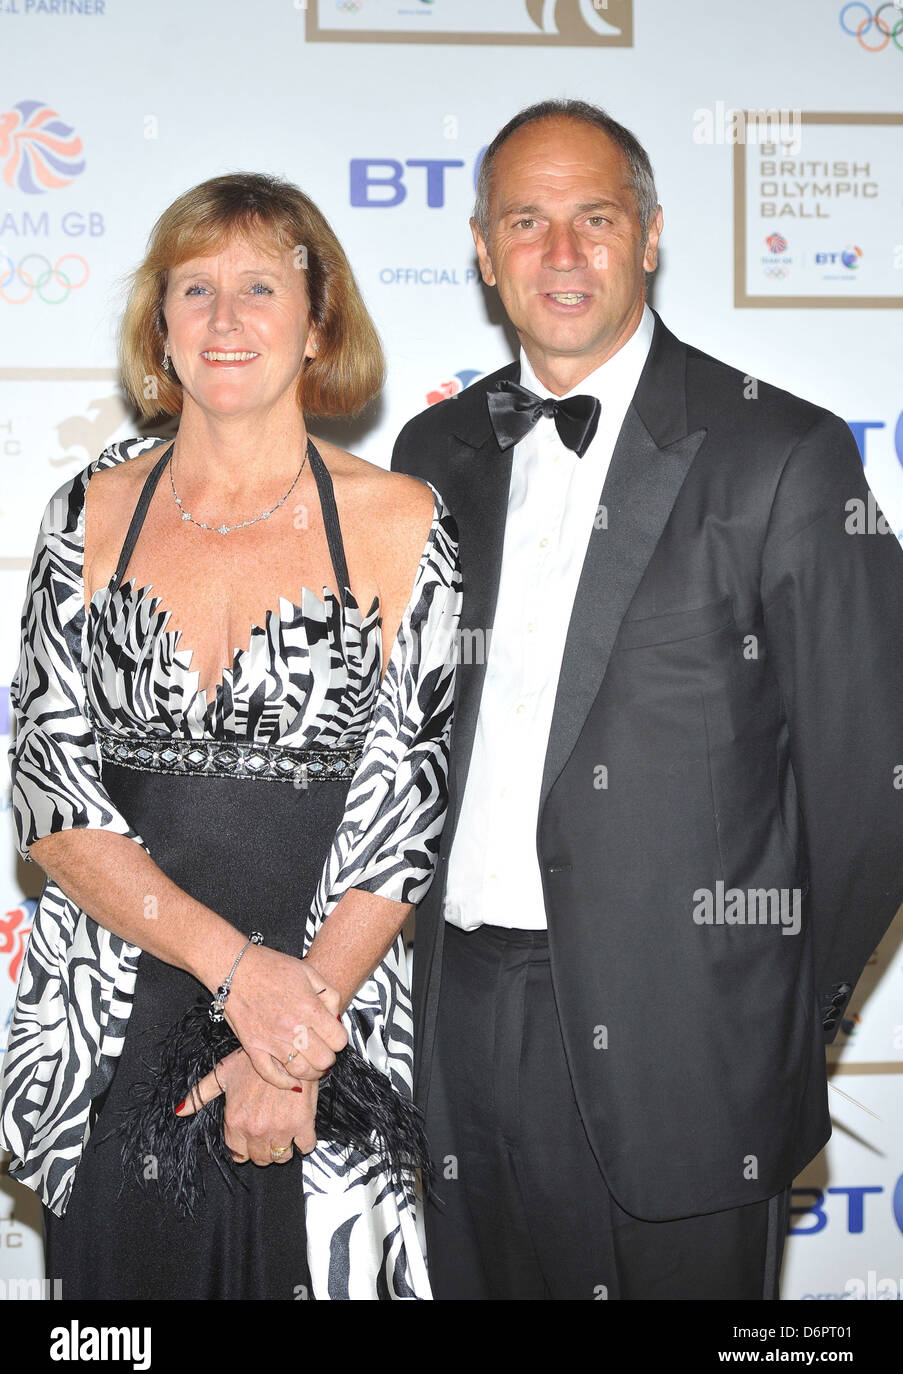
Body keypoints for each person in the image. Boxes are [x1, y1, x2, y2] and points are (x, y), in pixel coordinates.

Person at [391, 99, 903, 1300]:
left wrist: (761, 1010)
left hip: (687, 1054)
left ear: (652, 236)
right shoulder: (432, 455)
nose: (561, 254)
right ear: (481, 251)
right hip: (452, 1028)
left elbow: (874, 778)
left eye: (595, 217)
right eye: (527, 220)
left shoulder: (785, 453)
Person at [0, 172, 461, 1301]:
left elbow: (405, 823)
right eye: (192, 288)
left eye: (262, 285)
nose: (225, 317)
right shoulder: (88, 513)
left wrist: (290, 1038)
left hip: (332, 1035)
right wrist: (237, 977)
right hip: (113, 1030)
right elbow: (51, 799)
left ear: (320, 322)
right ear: (159, 326)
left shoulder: (405, 523)